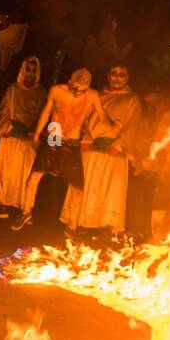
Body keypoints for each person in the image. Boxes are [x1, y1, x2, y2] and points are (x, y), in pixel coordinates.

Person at [14, 67, 107, 232]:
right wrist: (36, 134)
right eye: (76, 88)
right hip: (54, 135)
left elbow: (102, 116)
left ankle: (72, 227)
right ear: (70, 82)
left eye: (83, 90)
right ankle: (26, 211)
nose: (79, 92)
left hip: (72, 141)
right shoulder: (57, 91)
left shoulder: (92, 95)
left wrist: (112, 128)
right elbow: (46, 111)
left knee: (78, 188)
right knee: (35, 175)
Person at [60, 63, 141, 239]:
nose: (117, 77)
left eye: (122, 74)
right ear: (108, 75)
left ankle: (106, 226)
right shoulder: (95, 95)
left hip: (114, 153)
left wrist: (118, 145)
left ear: (127, 78)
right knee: (85, 186)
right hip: (91, 149)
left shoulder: (132, 99)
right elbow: (84, 117)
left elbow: (133, 126)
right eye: (114, 73)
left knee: (110, 190)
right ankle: (78, 223)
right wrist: (87, 138)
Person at [0, 56, 44, 219]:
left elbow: (43, 115)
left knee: (24, 174)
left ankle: (23, 209)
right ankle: (2, 205)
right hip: (10, 136)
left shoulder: (40, 92)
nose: (30, 73)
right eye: (27, 69)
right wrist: (3, 128)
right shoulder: (13, 88)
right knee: (7, 171)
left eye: (33, 70)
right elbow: (4, 109)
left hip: (29, 140)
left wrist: (34, 133)